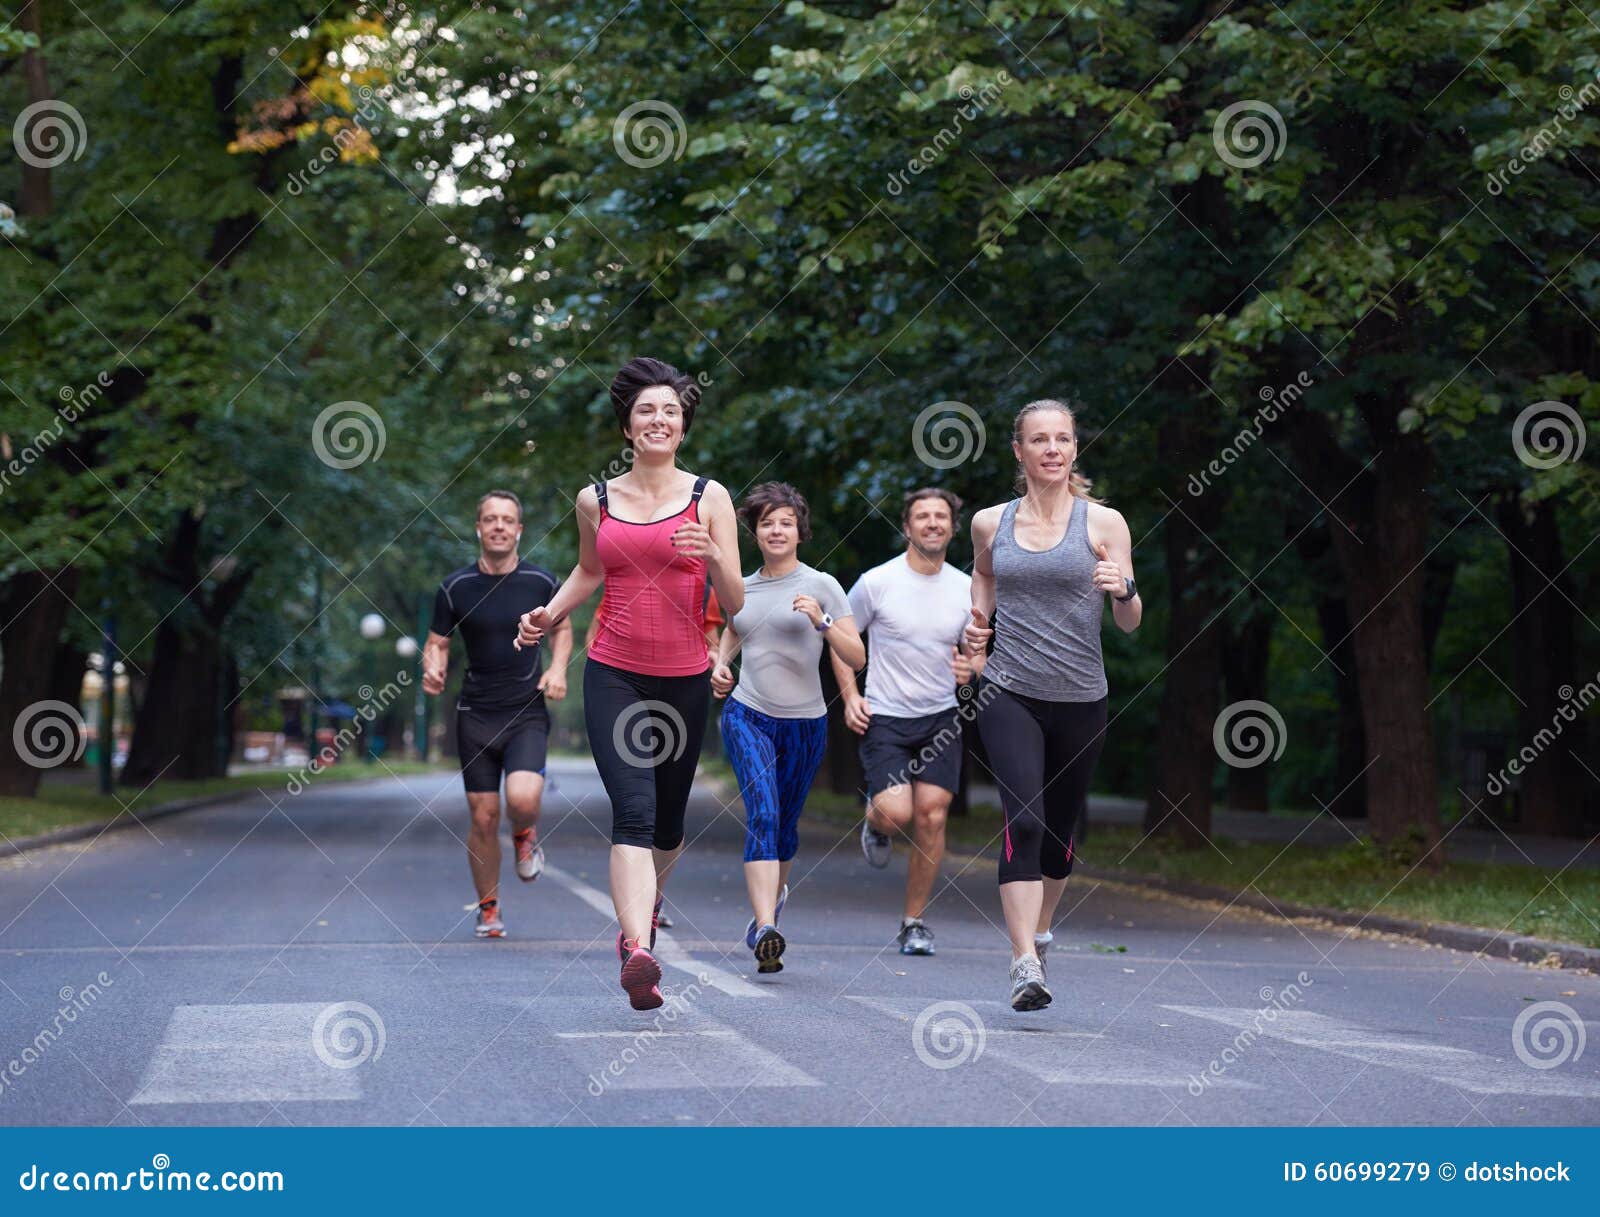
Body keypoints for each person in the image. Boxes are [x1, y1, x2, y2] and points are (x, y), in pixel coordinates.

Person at [516, 356, 743, 1010]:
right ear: (627, 426)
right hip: (614, 669)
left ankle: (648, 905)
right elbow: (589, 571)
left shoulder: (711, 498)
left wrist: (718, 557)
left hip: (685, 675)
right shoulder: (597, 500)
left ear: (683, 424)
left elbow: (737, 602)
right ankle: (636, 943)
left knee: (668, 823)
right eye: (647, 410)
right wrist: (548, 615)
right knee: (634, 811)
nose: (659, 419)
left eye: (671, 410)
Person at [964, 398, 1141, 1011]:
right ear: (1019, 451)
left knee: (1061, 835)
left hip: (1081, 697)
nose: (1051, 450)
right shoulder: (991, 521)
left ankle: (1041, 931)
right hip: (1008, 689)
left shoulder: (1104, 523)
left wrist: (1126, 589)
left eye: (1062, 439)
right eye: (1039, 440)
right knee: (1026, 820)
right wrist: (978, 623)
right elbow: (983, 575)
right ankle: (1023, 963)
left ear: (1074, 449)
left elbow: (1129, 623)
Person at [710, 482, 864, 973]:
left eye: (786, 522)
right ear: (755, 532)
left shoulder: (822, 585)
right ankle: (765, 927)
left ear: (800, 531)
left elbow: (856, 656)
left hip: (806, 723)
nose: (777, 530)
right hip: (748, 713)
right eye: (767, 523)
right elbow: (732, 625)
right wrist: (719, 664)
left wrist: (822, 622)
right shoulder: (740, 585)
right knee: (763, 813)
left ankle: (768, 914)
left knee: (786, 827)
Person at [828, 487, 978, 956]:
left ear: (952, 527)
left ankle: (914, 921)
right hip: (886, 715)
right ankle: (876, 824)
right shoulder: (877, 582)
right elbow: (841, 637)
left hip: (941, 718)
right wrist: (850, 695)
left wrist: (972, 667)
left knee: (932, 816)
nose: (932, 523)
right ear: (906, 526)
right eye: (921, 516)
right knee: (897, 812)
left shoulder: (967, 588)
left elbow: (978, 651)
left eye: (940, 516)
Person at [422, 490, 572, 939]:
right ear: (479, 528)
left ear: (520, 530)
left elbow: (562, 629)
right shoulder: (455, 587)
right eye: (490, 519)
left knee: (523, 800)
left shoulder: (542, 582)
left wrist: (558, 668)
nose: (499, 526)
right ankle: (488, 908)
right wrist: (433, 666)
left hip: (526, 709)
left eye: (508, 519)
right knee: (484, 817)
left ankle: (525, 833)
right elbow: (438, 641)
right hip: (474, 713)